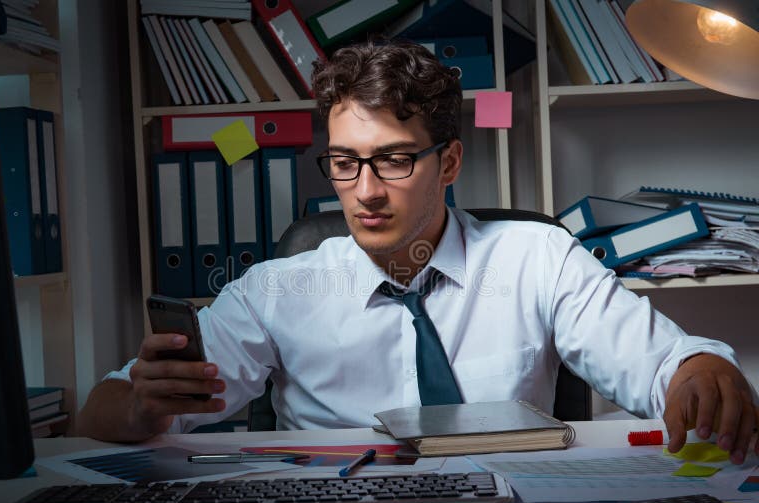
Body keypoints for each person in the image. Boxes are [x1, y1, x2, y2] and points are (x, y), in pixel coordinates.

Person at [78, 40, 758, 464]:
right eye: (344, 163)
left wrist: (697, 367)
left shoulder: (538, 258)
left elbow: (663, 362)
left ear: (451, 160)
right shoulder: (276, 289)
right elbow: (99, 410)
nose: (364, 193)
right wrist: (141, 406)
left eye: (395, 161)